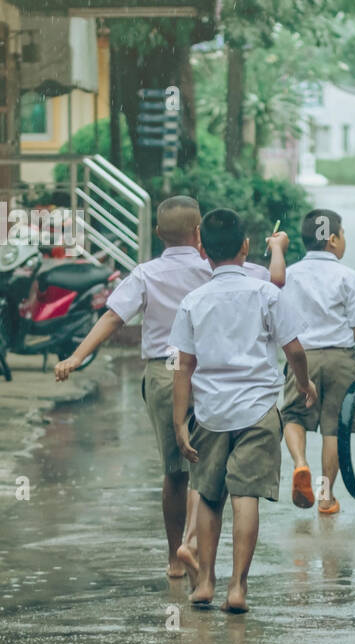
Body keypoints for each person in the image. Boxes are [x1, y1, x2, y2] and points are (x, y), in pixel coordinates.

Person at [54, 196, 287, 579]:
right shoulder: (228, 266)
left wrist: (77, 357)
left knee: (176, 468)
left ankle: (175, 557)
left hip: (167, 373)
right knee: (209, 465)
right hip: (215, 373)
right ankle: (199, 548)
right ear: (199, 233)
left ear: (159, 233)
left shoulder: (146, 273)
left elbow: (114, 318)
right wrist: (276, 248)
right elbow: (276, 281)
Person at [170, 209, 314, 612]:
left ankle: (205, 584)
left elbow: (184, 366)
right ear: (246, 248)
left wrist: (180, 421)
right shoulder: (266, 293)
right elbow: (295, 349)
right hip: (257, 410)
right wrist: (303, 384)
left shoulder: (193, 301)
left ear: (202, 251)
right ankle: (238, 588)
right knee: (245, 495)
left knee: (210, 497)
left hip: (211, 412)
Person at [279, 209, 355, 515]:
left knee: (294, 415)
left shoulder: (289, 275)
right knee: (333, 428)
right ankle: (325, 496)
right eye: (344, 233)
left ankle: (300, 463)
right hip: (340, 359)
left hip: (301, 357)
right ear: (333, 239)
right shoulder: (348, 276)